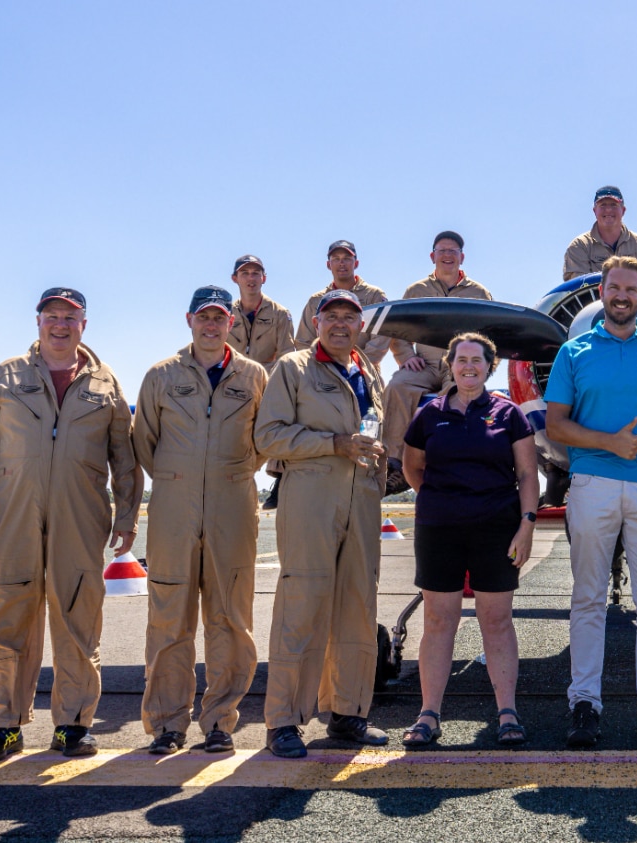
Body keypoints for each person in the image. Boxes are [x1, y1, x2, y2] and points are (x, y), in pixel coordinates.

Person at [0, 287, 141, 762]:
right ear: (38, 322)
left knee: (78, 622)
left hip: (81, 518)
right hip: (13, 515)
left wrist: (128, 516)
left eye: (70, 317)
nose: (61, 324)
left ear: (84, 325)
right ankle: (4, 726)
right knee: (6, 620)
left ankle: (73, 726)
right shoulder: (7, 375)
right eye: (52, 315)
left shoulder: (105, 382)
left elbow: (125, 458)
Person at [545, 255, 637, 748]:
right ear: (600, 292)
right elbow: (554, 425)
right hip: (591, 484)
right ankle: (584, 702)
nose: (622, 296)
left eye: (631, 288)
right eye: (614, 287)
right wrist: (609, 444)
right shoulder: (574, 351)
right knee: (586, 598)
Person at [132, 285, 269, 754]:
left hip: (234, 506)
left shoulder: (253, 376)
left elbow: (263, 441)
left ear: (231, 322)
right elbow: (143, 442)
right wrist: (179, 479)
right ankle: (168, 723)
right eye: (203, 317)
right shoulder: (161, 376)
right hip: (173, 507)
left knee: (231, 618)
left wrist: (228, 478)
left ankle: (220, 723)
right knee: (169, 619)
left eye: (220, 317)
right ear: (188, 320)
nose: (211, 325)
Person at [254, 288, 390, 758]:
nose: (339, 324)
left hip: (362, 499)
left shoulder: (369, 371)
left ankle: (348, 713)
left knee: (358, 605)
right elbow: (268, 435)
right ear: (316, 323)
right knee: (302, 605)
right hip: (311, 496)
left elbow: (377, 429)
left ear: (360, 327)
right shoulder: (292, 368)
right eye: (330, 316)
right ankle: (284, 721)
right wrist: (333, 444)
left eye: (348, 317)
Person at [400, 333, 538, 748]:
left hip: (496, 528)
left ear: (489, 367)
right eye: (461, 360)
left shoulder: (509, 414)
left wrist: (526, 524)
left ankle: (507, 712)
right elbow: (412, 467)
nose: (469, 367)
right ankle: (428, 714)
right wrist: (440, 502)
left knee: (495, 621)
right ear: (450, 365)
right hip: (438, 530)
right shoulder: (429, 413)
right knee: (438, 621)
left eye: (477, 360)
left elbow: (529, 475)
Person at [274, 240, 389, 510]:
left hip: (363, 370)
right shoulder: (315, 301)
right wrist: (317, 364)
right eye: (336, 258)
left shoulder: (374, 295)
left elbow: (383, 336)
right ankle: (281, 475)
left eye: (346, 258)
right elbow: (302, 341)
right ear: (328, 265)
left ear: (355, 263)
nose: (341, 262)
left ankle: (380, 476)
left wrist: (356, 362)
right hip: (318, 370)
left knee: (375, 428)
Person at [381, 231, 494, 494]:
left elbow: (492, 334)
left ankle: (442, 459)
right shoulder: (417, 290)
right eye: (442, 251)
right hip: (425, 364)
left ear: (462, 257)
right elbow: (397, 328)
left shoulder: (478, 293)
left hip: (460, 366)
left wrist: (482, 368)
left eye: (453, 251)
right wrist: (407, 357)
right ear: (432, 256)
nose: (447, 256)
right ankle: (395, 464)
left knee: (456, 394)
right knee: (397, 386)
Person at [562, 185, 637, 282]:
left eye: (613, 205)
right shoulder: (579, 246)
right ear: (594, 211)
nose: (608, 210)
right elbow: (577, 288)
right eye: (603, 205)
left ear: (623, 210)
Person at [226, 255, 297, 371]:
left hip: (267, 382)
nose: (251, 278)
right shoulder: (226, 314)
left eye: (255, 273)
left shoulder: (280, 313)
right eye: (244, 273)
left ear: (263, 278)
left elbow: (286, 357)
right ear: (234, 278)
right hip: (232, 382)